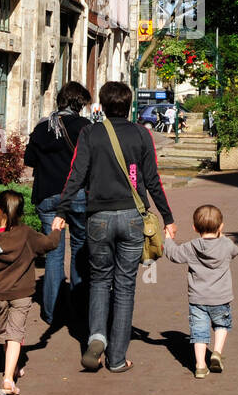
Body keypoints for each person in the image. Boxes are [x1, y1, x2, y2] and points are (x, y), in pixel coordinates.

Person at [55, 80, 176, 373]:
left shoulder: (90, 133)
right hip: (133, 218)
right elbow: (151, 180)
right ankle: (118, 357)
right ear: (129, 105)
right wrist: (168, 218)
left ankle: (96, 338)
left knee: (98, 281)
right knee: (124, 287)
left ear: (103, 106)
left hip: (98, 218)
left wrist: (62, 210)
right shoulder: (141, 135)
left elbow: (76, 174)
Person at [23, 81, 91, 326]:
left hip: (48, 195)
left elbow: (29, 159)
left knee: (53, 254)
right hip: (78, 195)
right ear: (79, 103)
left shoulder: (43, 127)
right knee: (80, 250)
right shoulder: (85, 127)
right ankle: (79, 307)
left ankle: (51, 312)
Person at [0, 190, 63, 395]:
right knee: (15, 334)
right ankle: (8, 379)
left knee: (7, 332)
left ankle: (14, 368)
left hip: (0, 293)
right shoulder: (27, 234)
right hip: (21, 293)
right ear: (21, 212)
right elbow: (49, 245)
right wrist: (56, 230)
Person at [164, 204, 238, 379]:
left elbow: (174, 255)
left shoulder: (192, 246)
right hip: (221, 297)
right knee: (221, 325)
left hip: (198, 299)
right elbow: (236, 251)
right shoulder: (226, 245)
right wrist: (224, 237)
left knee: (199, 332)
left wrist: (168, 239)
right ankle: (217, 352)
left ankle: (199, 365)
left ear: (195, 228)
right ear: (221, 226)